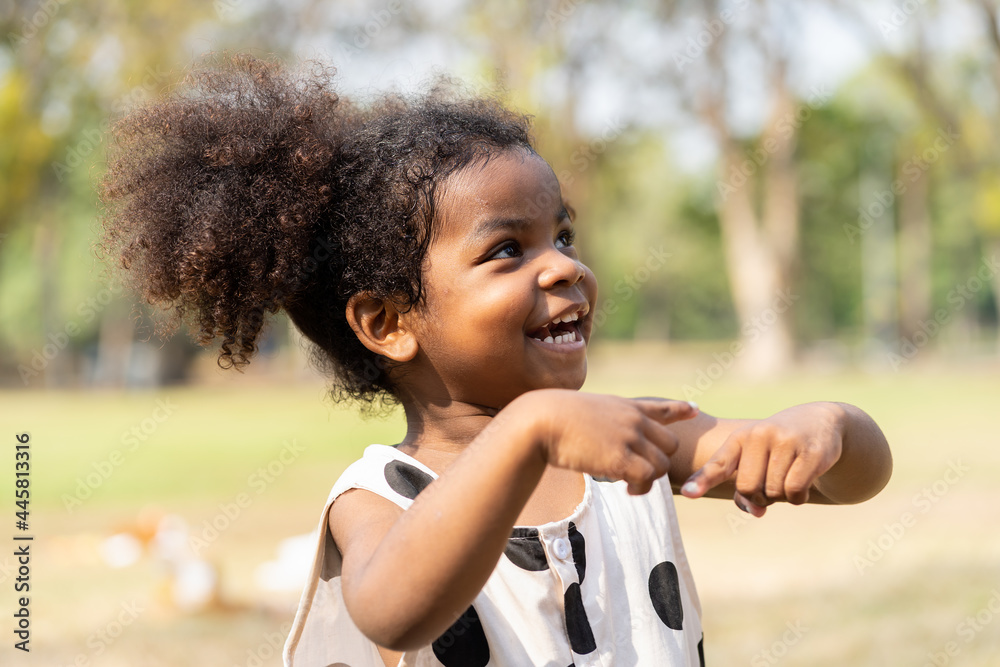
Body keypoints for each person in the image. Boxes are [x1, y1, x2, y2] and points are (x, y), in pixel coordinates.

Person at [100, 54, 892, 667]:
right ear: (387, 322)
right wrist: (530, 432)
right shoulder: (375, 497)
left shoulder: (631, 438)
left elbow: (854, 478)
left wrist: (826, 427)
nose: (563, 267)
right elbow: (396, 609)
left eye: (564, 235)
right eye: (508, 249)